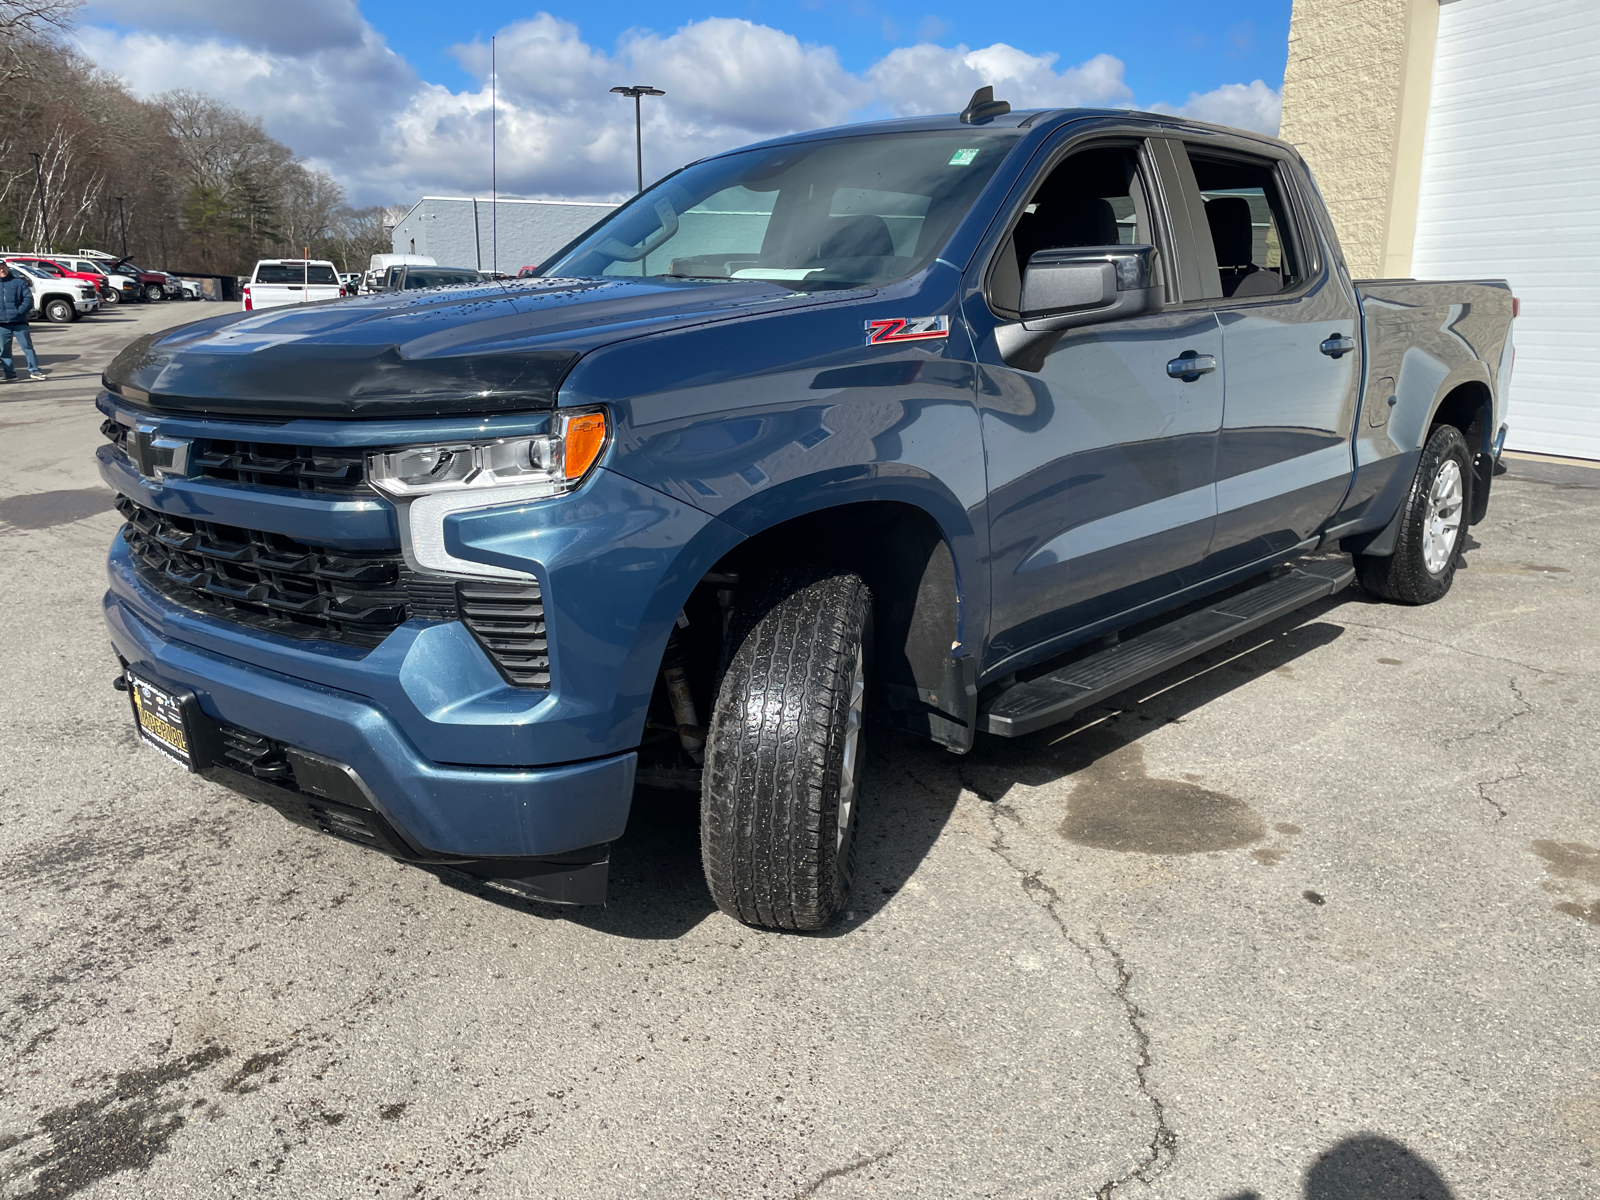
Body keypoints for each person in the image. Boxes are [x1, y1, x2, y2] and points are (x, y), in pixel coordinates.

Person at [0, 261, 46, 382]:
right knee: (4, 349)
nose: (2, 270)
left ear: (7, 268)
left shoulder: (18, 282)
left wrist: (19, 311)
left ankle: (34, 371)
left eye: (3, 268)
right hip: (2, 324)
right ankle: (9, 373)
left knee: (27, 347)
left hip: (19, 322)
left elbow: (28, 298)